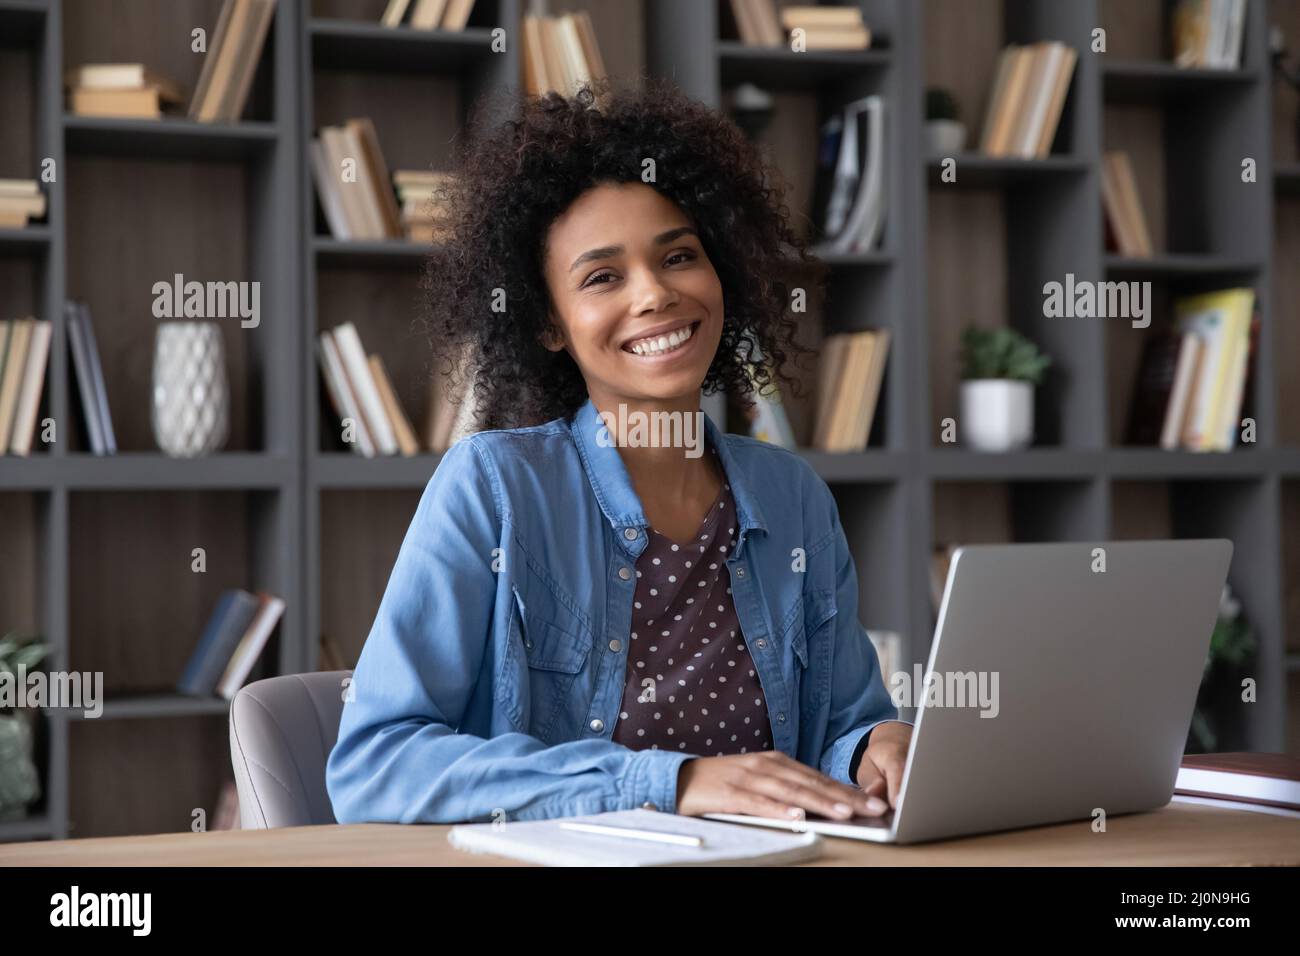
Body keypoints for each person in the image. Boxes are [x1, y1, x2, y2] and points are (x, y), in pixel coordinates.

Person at [326, 79, 913, 826]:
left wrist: (875, 745)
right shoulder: (495, 487)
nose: (654, 295)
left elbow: (841, 727)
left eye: (679, 257)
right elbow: (375, 767)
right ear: (549, 324)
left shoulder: (791, 496)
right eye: (603, 276)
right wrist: (667, 782)